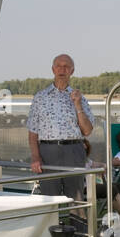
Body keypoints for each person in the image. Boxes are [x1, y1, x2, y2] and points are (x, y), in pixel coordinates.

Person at [26, 53, 93, 225]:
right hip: (48, 150)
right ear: (53, 69)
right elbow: (33, 132)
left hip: (74, 149)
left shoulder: (80, 97)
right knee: (49, 200)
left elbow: (87, 130)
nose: (62, 69)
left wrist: (77, 105)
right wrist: (35, 157)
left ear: (72, 71)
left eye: (66, 66)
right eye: (59, 66)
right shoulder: (40, 97)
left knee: (76, 200)